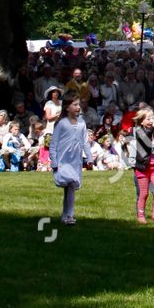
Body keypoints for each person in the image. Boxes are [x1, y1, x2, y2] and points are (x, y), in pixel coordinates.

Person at [50, 96, 92, 226]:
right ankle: (69, 215)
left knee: (71, 187)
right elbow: (53, 144)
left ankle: (67, 215)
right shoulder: (62, 123)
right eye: (75, 105)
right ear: (67, 108)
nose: (78, 107)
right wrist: (54, 161)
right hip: (63, 160)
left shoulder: (82, 123)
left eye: (78, 104)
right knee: (69, 185)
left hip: (75, 160)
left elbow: (85, 142)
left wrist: (89, 157)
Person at [133, 106, 154, 223]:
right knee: (144, 193)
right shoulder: (139, 132)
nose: (151, 121)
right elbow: (146, 137)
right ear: (141, 121)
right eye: (148, 119)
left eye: (152, 118)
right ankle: (141, 216)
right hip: (142, 167)